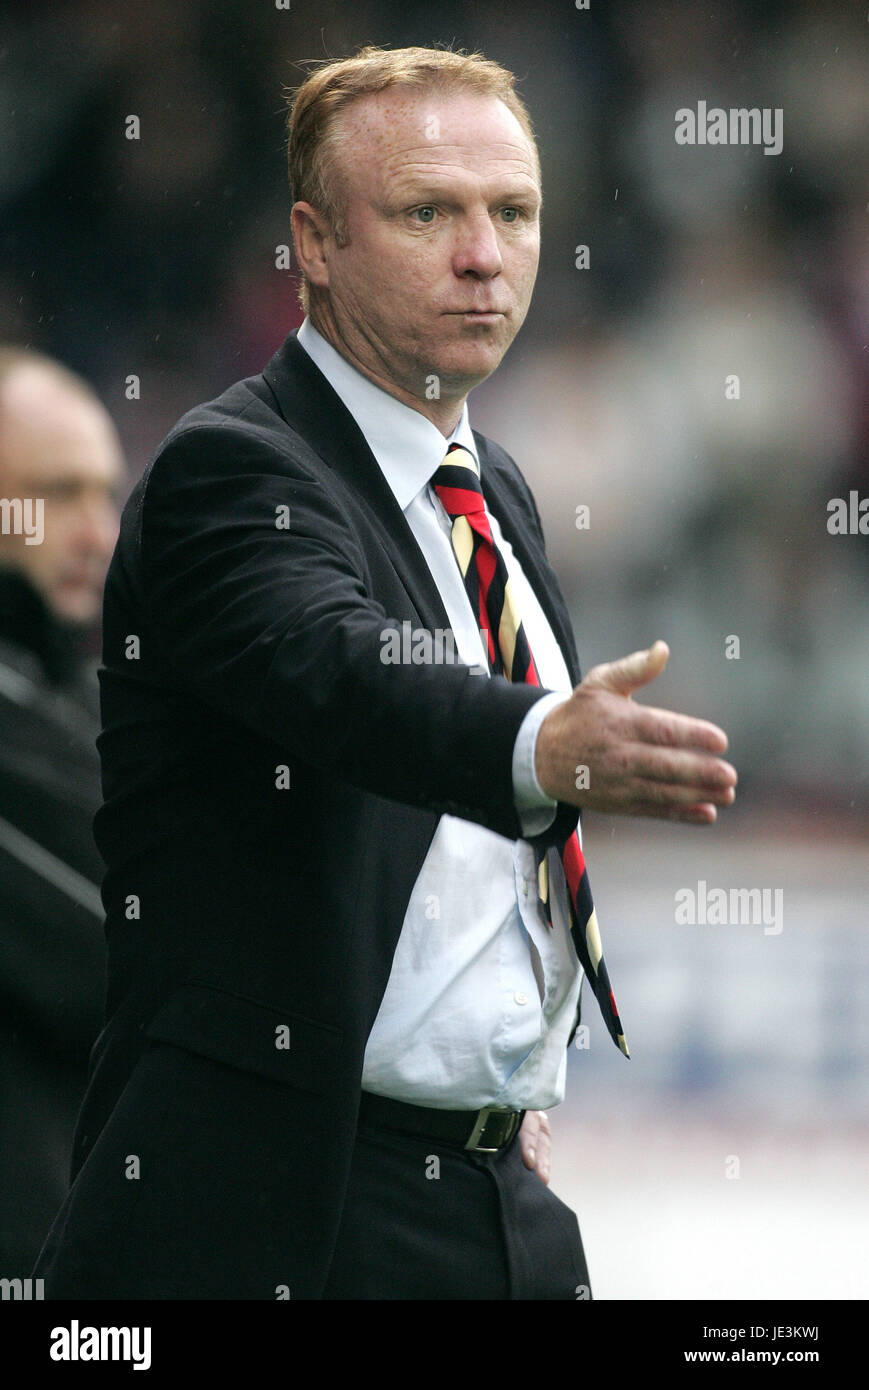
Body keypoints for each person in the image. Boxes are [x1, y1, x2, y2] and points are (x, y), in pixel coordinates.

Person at [34, 45, 736, 1300]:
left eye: (511, 212)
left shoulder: (492, 486)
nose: (483, 254)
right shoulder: (229, 471)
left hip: (494, 1200)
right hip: (290, 1211)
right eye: (428, 213)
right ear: (312, 243)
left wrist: (504, 1075)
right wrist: (541, 748)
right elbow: (344, 683)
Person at [0, 348, 122, 1278]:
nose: (99, 533)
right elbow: (135, 958)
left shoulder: (72, 694)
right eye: (59, 495)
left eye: (106, 495)